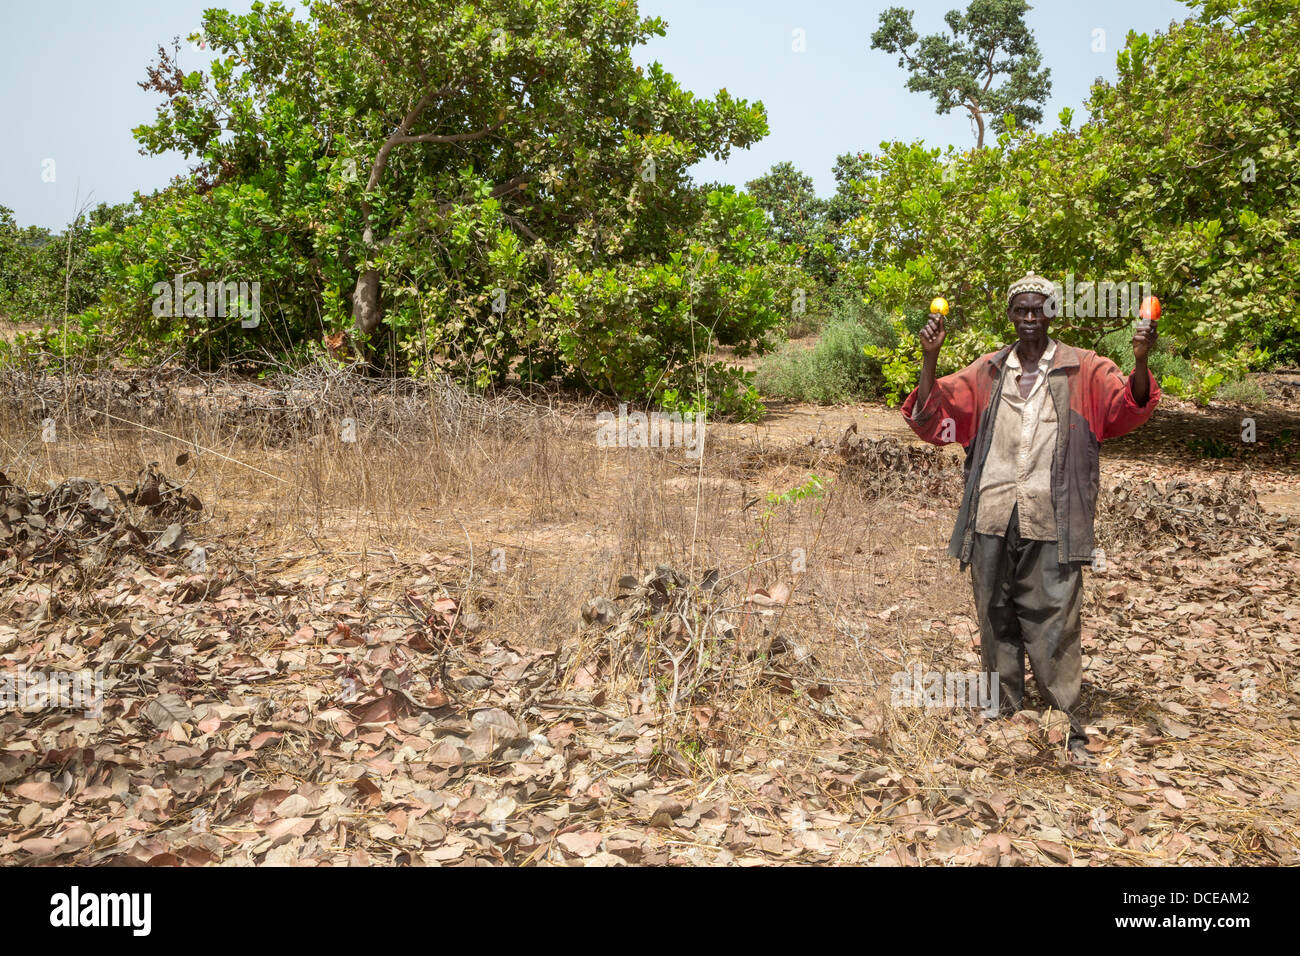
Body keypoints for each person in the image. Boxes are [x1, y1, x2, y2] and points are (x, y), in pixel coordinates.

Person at [901, 272, 1160, 765]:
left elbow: (1129, 407)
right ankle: (1003, 716)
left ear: (1053, 313)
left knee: (1054, 619)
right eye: (1020, 310)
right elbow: (933, 418)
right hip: (993, 515)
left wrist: (1141, 361)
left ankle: (1065, 723)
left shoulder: (1082, 369)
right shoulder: (989, 371)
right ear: (1010, 315)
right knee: (996, 617)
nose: (1029, 318)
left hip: (1053, 517)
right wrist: (929, 358)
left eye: (1038, 309)